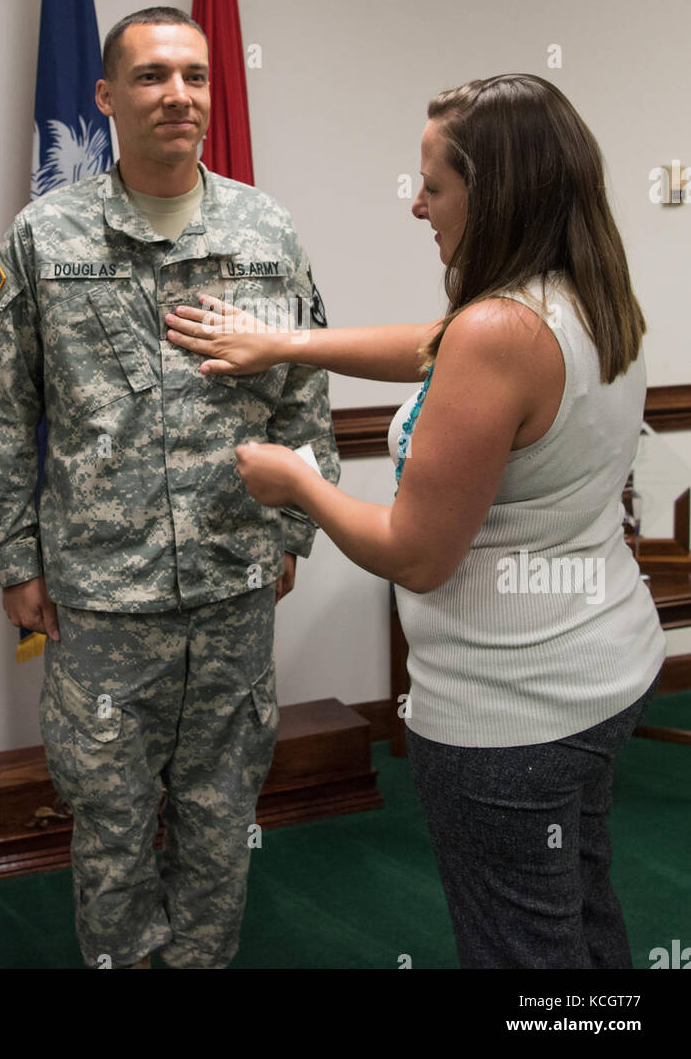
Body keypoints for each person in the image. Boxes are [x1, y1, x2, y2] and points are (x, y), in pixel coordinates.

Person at [165, 72, 666, 970]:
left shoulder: (500, 333)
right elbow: (437, 345)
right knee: (580, 912)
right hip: (602, 672)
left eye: (433, 185)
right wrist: (283, 341)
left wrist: (300, 482)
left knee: (523, 952)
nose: (416, 204)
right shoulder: (581, 293)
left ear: (495, 190)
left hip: (510, 715)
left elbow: (417, 554)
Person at [0, 6, 340, 970]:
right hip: (100, 599)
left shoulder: (266, 229)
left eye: (196, 77)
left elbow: (305, 392)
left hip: (232, 588)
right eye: (152, 76)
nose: (179, 95)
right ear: (107, 97)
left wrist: (291, 535)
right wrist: (13, 560)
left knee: (220, 819)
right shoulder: (45, 238)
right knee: (110, 822)